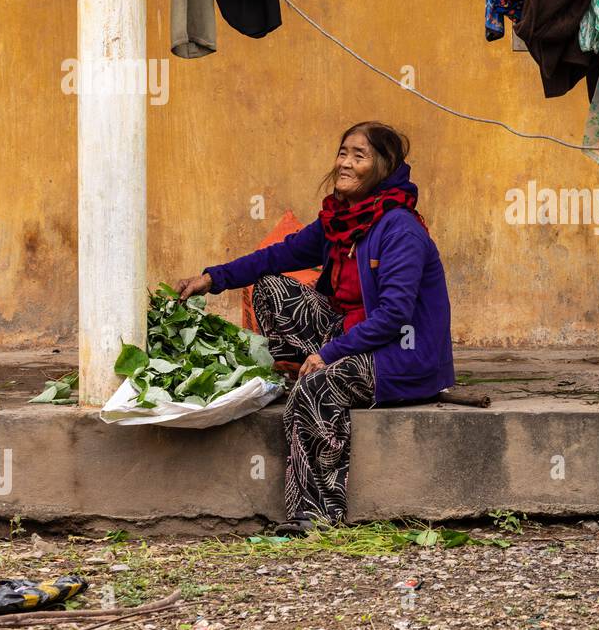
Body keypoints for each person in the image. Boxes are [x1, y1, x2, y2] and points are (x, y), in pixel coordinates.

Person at [176, 121, 454, 535]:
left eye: (359, 157)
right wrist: (212, 278)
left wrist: (329, 355)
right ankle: (306, 376)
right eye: (343, 152)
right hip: (350, 335)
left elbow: (395, 315)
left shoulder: (400, 230)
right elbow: (275, 257)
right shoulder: (338, 222)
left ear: (383, 168)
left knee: (317, 387)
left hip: (402, 354)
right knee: (271, 288)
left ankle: (315, 515)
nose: (344, 163)